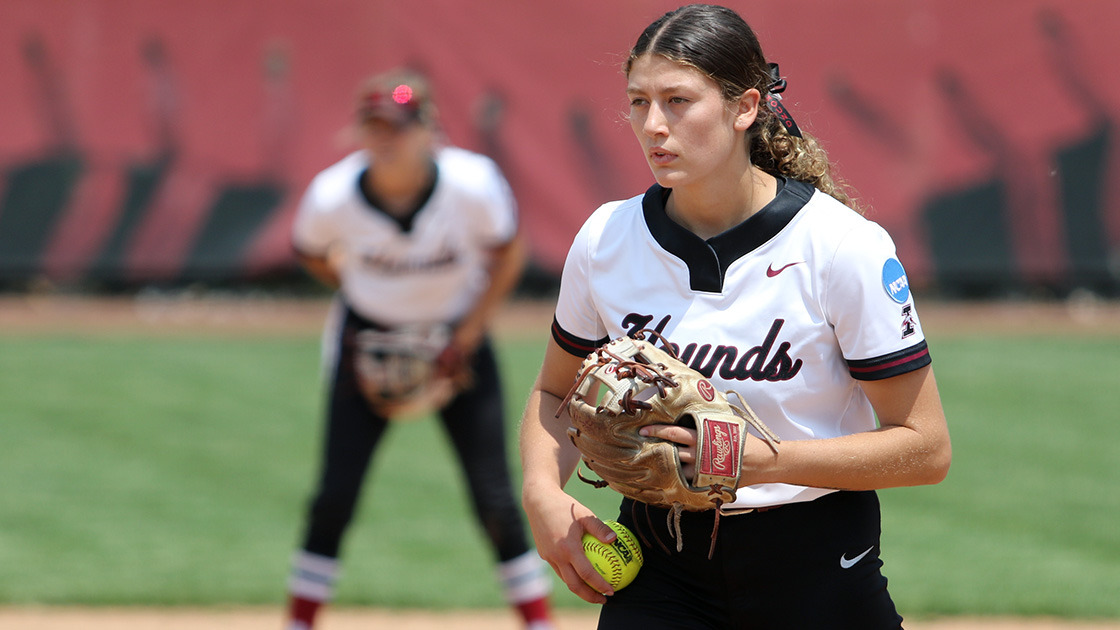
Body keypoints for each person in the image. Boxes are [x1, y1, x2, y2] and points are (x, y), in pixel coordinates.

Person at [518, 5, 951, 629]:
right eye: (638, 102)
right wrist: (541, 491)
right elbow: (554, 392)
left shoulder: (840, 246)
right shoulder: (606, 238)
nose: (652, 125)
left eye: (677, 100)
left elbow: (926, 448)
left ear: (745, 107)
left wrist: (766, 462)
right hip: (660, 563)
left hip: (815, 563)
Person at [285, 68, 555, 630]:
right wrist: (358, 287)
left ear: (429, 129)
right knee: (336, 492)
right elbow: (310, 250)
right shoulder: (334, 194)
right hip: (369, 338)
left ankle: (537, 620)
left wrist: (469, 333)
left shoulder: (472, 184)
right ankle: (300, 620)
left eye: (399, 126)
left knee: (493, 493)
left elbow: (508, 254)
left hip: (456, 336)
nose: (385, 138)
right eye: (374, 125)